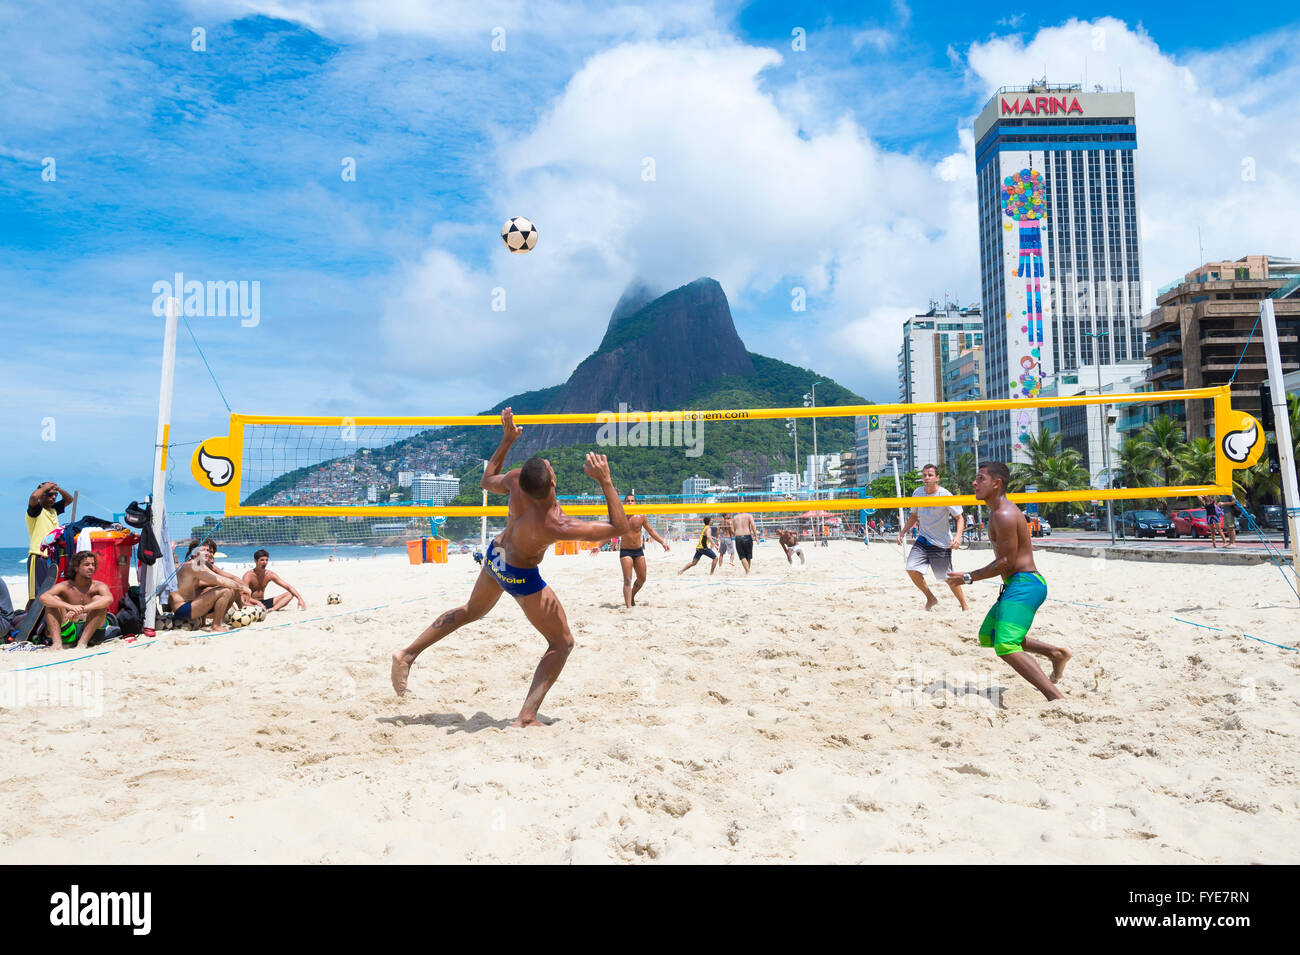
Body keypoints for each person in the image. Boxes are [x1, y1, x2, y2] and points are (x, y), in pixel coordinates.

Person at [390, 408, 630, 728]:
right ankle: (526, 717)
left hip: (497, 556)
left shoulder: (516, 480)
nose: (549, 465)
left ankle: (406, 654)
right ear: (553, 481)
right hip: (520, 574)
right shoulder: (554, 523)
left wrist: (506, 440)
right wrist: (606, 480)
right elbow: (618, 528)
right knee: (563, 643)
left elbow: (487, 480)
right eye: (549, 467)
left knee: (470, 610)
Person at [947, 462, 1071, 701]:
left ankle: (1055, 697)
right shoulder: (996, 512)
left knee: (1005, 644)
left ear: (997, 483)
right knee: (991, 634)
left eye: (980, 478)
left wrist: (968, 577)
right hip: (1018, 584)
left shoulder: (1004, 513)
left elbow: (1004, 561)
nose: (974, 483)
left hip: (1026, 584)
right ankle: (1055, 653)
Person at [898, 463, 968, 611]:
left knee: (948, 578)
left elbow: (960, 518)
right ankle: (930, 598)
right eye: (924, 475)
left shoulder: (945, 495)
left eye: (930, 475)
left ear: (937, 478)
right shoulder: (917, 493)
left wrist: (958, 536)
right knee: (911, 568)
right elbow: (913, 516)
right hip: (923, 539)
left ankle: (964, 605)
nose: (926, 478)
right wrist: (903, 531)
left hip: (941, 543)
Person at [604, 493, 670, 608]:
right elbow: (610, 532)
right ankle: (628, 606)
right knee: (627, 580)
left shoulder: (641, 516)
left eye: (632, 501)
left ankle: (632, 596)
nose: (630, 503)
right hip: (625, 551)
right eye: (628, 501)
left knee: (642, 578)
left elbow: (651, 531)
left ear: (636, 503)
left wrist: (662, 542)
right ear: (624, 503)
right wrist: (599, 546)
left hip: (638, 551)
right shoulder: (620, 517)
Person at [38, 551, 112, 649]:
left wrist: (84, 608)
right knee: (54, 599)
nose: (91, 567)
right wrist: (69, 606)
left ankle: (82, 643)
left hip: (93, 634)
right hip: (69, 632)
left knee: (98, 599)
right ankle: (57, 643)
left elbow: (108, 599)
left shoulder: (98, 586)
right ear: (76, 568)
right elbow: (43, 597)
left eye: (93, 564)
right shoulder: (65, 586)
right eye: (87, 564)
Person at [168, 542, 247, 632]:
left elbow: (221, 577)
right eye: (203, 550)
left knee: (230, 589)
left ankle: (219, 622)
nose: (207, 553)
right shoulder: (192, 566)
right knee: (225, 590)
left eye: (208, 551)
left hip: (191, 605)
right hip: (182, 609)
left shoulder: (200, 565)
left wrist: (240, 586)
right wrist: (243, 587)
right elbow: (220, 581)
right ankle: (216, 626)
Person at [25, 481, 71, 603]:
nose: (54, 497)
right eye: (50, 494)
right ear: (42, 495)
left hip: (52, 558)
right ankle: (27, 620)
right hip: (38, 556)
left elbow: (69, 499)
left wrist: (58, 489)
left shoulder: (53, 510)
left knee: (50, 595)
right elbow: (33, 497)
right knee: (36, 597)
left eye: (55, 495)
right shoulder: (36, 511)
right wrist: (45, 487)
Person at [242, 549, 306, 612]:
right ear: (255, 561)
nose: (265, 562)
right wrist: (257, 603)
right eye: (262, 560)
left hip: (264, 603)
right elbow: (244, 596)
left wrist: (300, 599)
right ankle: (264, 609)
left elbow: (288, 587)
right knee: (245, 602)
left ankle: (272, 609)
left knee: (290, 594)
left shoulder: (269, 574)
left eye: (266, 560)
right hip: (251, 603)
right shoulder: (248, 576)